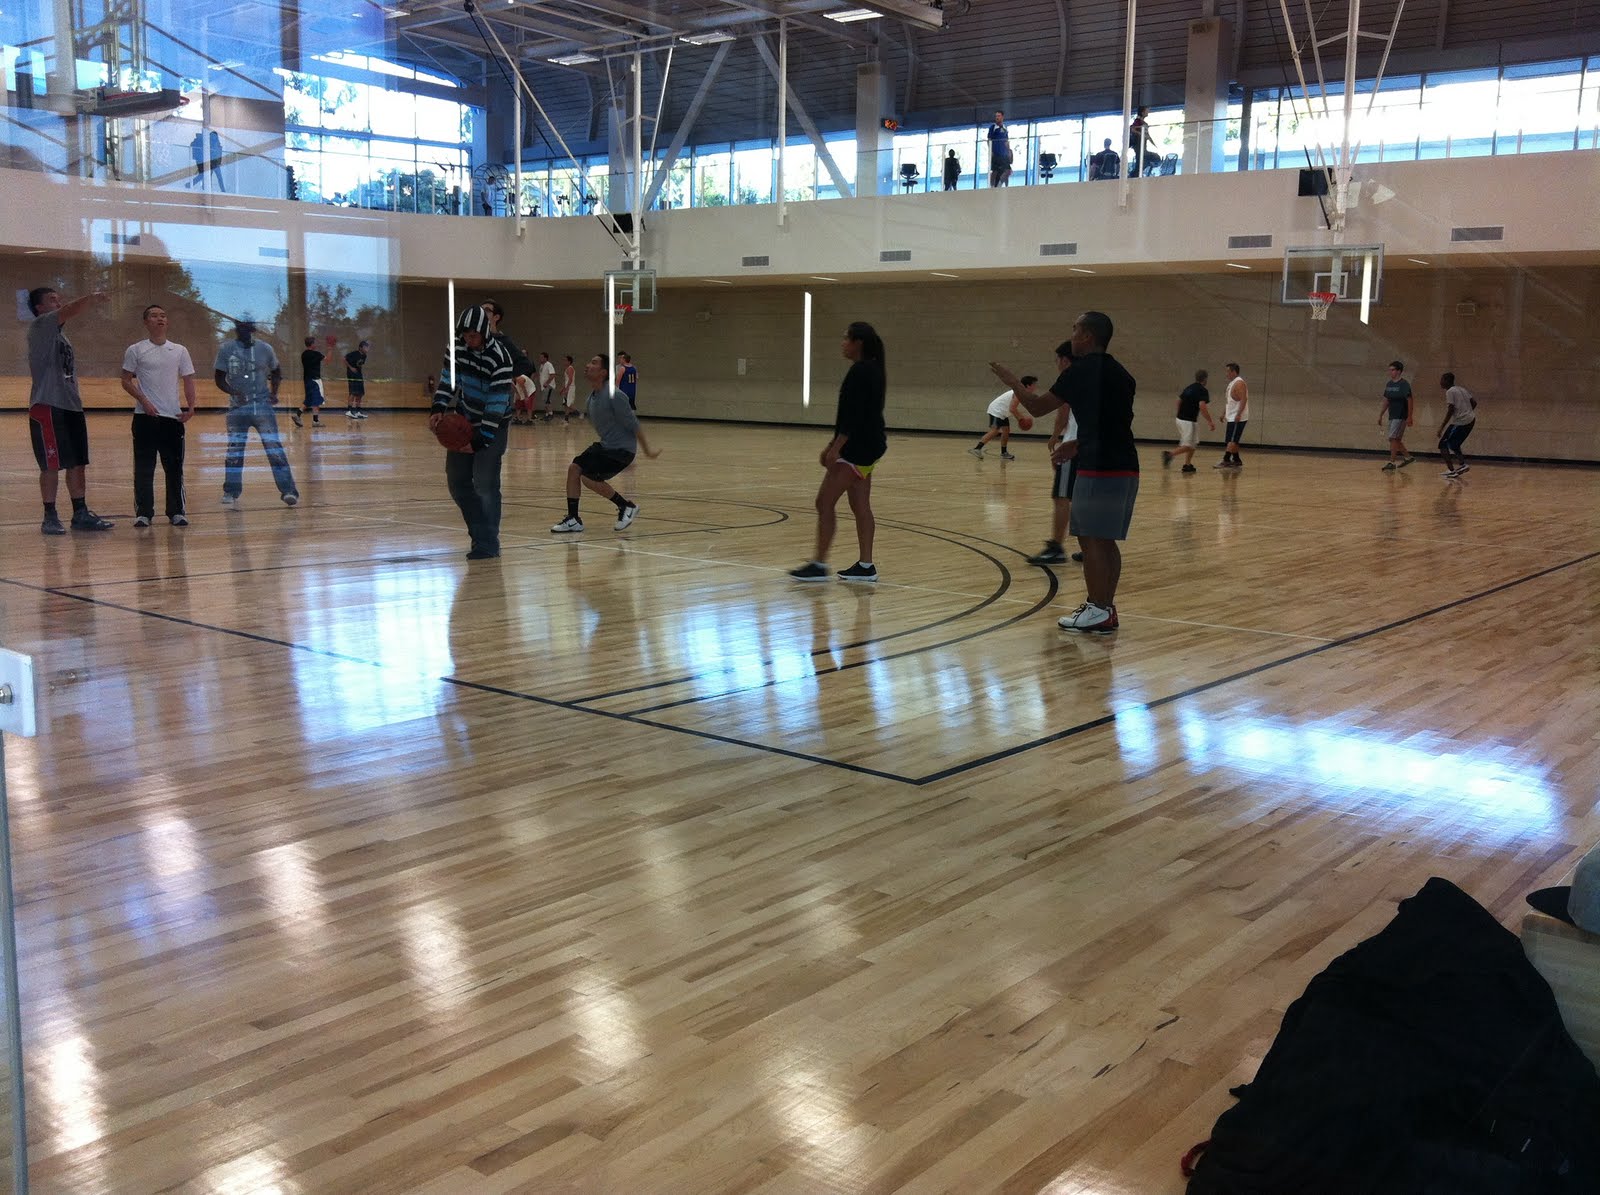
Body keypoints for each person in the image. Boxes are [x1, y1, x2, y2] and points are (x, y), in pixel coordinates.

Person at [992, 311, 1137, 633]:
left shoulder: (1080, 370)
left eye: (1075, 329)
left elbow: (1038, 406)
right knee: (1106, 541)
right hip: (1126, 464)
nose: (1072, 335)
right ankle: (1105, 609)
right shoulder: (1122, 373)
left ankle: (1098, 609)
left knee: (1090, 541)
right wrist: (1076, 444)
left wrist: (1011, 381)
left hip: (1099, 467)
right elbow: (1112, 422)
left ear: (1087, 336)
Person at [790, 322, 888, 582]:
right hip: (870, 446)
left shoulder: (861, 371)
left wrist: (836, 447)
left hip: (857, 449)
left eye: (846, 338)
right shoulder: (874, 369)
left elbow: (854, 415)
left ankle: (819, 564)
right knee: (860, 505)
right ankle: (866, 566)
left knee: (824, 502)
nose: (842, 343)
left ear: (858, 343)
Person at [26, 286, 115, 534]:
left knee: (78, 463)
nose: (58, 303)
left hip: (71, 407)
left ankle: (80, 513)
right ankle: (50, 516)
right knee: (51, 464)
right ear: (39, 308)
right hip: (48, 406)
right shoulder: (41, 326)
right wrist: (92, 297)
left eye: (58, 299)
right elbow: (69, 310)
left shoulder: (63, 338)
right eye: (51, 300)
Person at [431, 305, 515, 559]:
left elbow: (497, 404)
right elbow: (448, 379)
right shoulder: (455, 348)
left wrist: (481, 441)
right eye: (465, 335)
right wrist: (438, 407)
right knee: (456, 481)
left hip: (494, 425)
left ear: (484, 333)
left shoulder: (500, 358)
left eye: (474, 336)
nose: (469, 340)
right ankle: (481, 535)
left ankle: (487, 543)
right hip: (465, 419)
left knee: (486, 485)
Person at [549, 353, 660, 535]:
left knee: (579, 471)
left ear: (603, 372)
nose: (587, 365)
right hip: (607, 446)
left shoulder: (615, 395)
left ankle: (618, 508)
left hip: (620, 451)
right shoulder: (591, 399)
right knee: (578, 471)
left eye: (593, 363)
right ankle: (619, 508)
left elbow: (633, 424)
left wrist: (646, 451)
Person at [120, 304, 197, 527]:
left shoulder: (180, 350)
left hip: (172, 419)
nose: (159, 319)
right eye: (154, 316)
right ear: (146, 322)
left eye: (163, 315)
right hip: (145, 418)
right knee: (144, 467)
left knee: (174, 467)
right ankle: (144, 512)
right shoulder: (136, 350)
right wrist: (144, 401)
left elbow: (188, 380)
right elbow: (126, 380)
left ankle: (177, 511)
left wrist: (191, 407)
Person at [214, 319, 299, 508]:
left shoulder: (265, 349)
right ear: (236, 331)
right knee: (234, 449)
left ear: (253, 330)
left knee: (274, 448)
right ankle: (231, 490)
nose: (243, 332)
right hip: (237, 409)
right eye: (240, 329)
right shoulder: (226, 349)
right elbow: (219, 378)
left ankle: (288, 491)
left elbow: (276, 370)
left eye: (247, 329)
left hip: (262, 407)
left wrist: (274, 393)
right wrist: (233, 392)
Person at [1026, 343, 1084, 567]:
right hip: (1091, 446)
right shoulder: (1092, 378)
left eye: (1057, 359)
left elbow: (1063, 411)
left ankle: (1056, 548)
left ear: (1065, 360)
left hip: (1072, 444)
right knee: (1081, 498)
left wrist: (1055, 436)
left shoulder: (1070, 379)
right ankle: (1091, 547)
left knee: (1061, 497)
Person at [480, 300, 537, 424]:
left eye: (487, 310)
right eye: (481, 309)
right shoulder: (473, 339)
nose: (482, 312)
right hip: (476, 401)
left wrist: (504, 376)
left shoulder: (503, 341)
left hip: (497, 401)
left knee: (496, 439)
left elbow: (524, 364)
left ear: (496, 317)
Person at [968, 377, 1036, 460]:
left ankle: (1004, 453)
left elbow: (1013, 408)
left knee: (1006, 430)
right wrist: (1021, 419)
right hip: (997, 410)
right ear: (1028, 385)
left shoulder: (1021, 393)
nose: (1035, 387)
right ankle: (977, 449)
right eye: (1034, 384)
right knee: (995, 431)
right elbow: (1012, 409)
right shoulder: (1019, 393)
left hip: (1003, 412)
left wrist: (1021, 417)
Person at [1163, 369, 1215, 473]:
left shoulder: (1189, 388)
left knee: (1194, 443)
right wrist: (1210, 421)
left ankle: (1187, 465)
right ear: (1205, 379)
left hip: (1184, 419)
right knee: (1187, 445)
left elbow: (1179, 400)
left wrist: (1180, 413)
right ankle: (1169, 455)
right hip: (1188, 421)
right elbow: (1202, 406)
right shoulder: (1202, 390)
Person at [1436, 372, 1477, 478]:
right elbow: (1474, 402)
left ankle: (1451, 470)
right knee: (1454, 444)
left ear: (1447, 381)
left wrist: (1441, 426)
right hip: (1471, 419)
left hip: (1461, 421)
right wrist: (1467, 412)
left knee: (1442, 445)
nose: (1440, 382)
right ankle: (1463, 465)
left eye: (1442, 379)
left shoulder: (1450, 391)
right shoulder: (1461, 389)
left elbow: (1450, 409)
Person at [1380, 359, 1416, 470]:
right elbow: (1387, 400)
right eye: (1390, 370)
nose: (1391, 372)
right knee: (1395, 439)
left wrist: (1409, 416)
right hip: (1392, 415)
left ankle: (1392, 462)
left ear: (1399, 371)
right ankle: (1408, 457)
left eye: (1393, 370)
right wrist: (1381, 414)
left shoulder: (1404, 384)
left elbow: (1410, 400)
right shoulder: (1389, 384)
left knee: (1393, 438)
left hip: (1401, 416)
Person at [1216, 362, 1248, 469]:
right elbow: (1229, 401)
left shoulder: (1239, 383)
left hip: (1238, 417)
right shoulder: (1232, 383)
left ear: (1234, 372)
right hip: (1231, 416)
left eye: (1228, 372)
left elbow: (1244, 399)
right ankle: (1237, 459)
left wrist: (1239, 414)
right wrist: (1223, 413)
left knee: (1232, 440)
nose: (1226, 374)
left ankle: (1226, 460)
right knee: (1232, 439)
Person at [294, 336, 325, 427]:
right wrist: (330, 348)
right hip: (315, 380)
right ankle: (315, 421)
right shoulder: (317, 354)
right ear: (312, 344)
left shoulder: (304, 354)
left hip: (307, 379)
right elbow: (328, 360)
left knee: (309, 399)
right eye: (316, 342)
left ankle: (297, 414)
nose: (317, 344)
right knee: (317, 399)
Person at [1129, 107, 1160, 177]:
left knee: (1142, 161)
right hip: (1139, 145)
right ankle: (1134, 175)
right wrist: (1140, 134)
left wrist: (1153, 143)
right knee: (1140, 161)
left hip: (1143, 145)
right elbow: (1132, 129)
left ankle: (1136, 174)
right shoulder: (1138, 121)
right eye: (1146, 111)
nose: (1148, 112)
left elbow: (1147, 135)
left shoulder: (1142, 122)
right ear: (1142, 112)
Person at [344, 339, 369, 419]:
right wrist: (351, 368)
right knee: (353, 392)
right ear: (360, 347)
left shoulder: (364, 356)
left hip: (359, 375)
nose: (367, 349)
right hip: (352, 375)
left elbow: (360, 365)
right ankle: (349, 411)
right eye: (365, 347)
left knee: (360, 393)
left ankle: (358, 412)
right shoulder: (354, 354)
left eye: (368, 347)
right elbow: (344, 359)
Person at [986, 111, 1013, 188]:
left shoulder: (1004, 128)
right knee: (995, 171)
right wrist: (990, 151)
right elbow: (989, 139)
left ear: (1002, 117)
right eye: (996, 116)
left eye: (999, 116)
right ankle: (991, 186)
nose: (997, 117)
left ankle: (999, 185)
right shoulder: (993, 127)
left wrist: (1009, 151)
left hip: (1004, 154)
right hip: (996, 153)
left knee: (1008, 170)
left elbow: (1006, 141)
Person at [536, 351, 557, 420]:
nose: (540, 358)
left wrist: (547, 383)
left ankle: (550, 414)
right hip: (543, 387)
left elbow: (553, 374)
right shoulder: (542, 366)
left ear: (545, 358)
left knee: (548, 400)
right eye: (540, 357)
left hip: (549, 386)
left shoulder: (549, 364)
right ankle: (547, 414)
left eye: (541, 357)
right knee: (545, 400)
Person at [560, 354, 577, 420]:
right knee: (566, 403)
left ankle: (580, 414)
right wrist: (563, 389)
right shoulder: (567, 369)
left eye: (565, 360)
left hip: (570, 388)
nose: (564, 362)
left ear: (569, 361)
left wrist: (567, 389)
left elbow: (570, 379)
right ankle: (566, 418)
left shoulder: (570, 368)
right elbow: (567, 381)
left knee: (569, 404)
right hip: (568, 387)